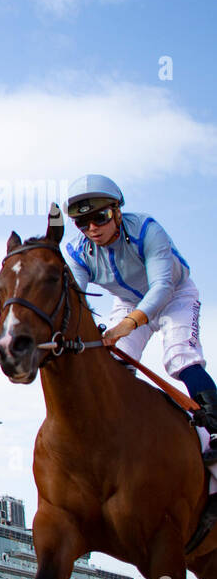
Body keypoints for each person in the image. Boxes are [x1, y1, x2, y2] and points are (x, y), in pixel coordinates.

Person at [62, 174, 217, 461]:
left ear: (117, 212)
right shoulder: (77, 251)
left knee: (180, 356)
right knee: (113, 363)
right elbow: (76, 298)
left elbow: (162, 286)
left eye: (101, 217)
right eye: (83, 223)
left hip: (175, 296)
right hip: (128, 301)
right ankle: (119, 431)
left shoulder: (147, 228)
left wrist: (128, 323)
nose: (93, 228)